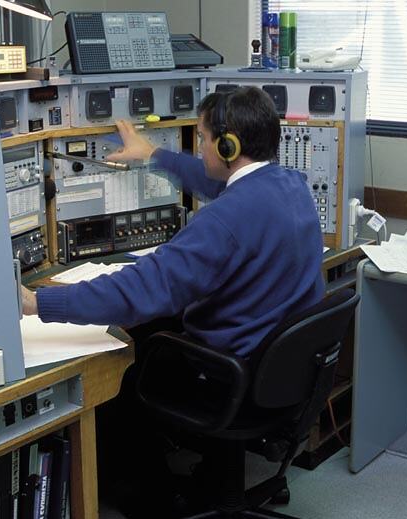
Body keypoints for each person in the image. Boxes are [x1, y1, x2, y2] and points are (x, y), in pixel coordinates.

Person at [21, 86, 324, 517]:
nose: (199, 149)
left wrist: (40, 304)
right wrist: (153, 155)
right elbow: (220, 182)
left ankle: (153, 501)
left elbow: (141, 290)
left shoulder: (224, 220)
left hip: (229, 379)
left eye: (202, 139)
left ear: (228, 143)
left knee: (123, 378)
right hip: (276, 372)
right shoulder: (289, 185)